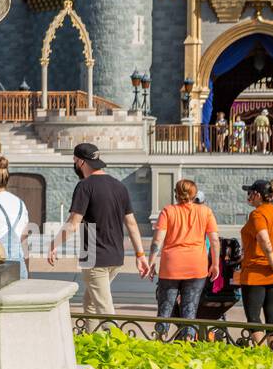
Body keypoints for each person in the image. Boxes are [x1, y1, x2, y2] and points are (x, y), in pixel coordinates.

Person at [46, 143, 148, 315]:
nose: (74, 164)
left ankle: (118, 340)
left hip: (94, 256)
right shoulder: (119, 186)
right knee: (91, 305)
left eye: (74, 160)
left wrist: (53, 244)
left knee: (104, 310)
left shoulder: (85, 186)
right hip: (115, 256)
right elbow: (131, 223)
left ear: (81, 162)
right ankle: (90, 339)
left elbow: (72, 223)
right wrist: (140, 255)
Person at [146, 179, 219, 339]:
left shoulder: (168, 211)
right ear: (194, 194)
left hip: (171, 268)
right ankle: (187, 343)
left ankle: (160, 341)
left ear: (176, 193)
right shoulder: (205, 211)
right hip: (196, 267)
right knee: (190, 310)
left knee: (164, 309)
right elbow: (214, 240)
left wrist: (150, 262)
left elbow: (157, 240)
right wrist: (215, 264)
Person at [239, 179, 273, 342]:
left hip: (257, 271)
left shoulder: (258, 214)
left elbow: (264, 239)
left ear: (257, 195)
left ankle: (261, 357)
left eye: (250, 193)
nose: (248, 196)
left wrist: (272, 262)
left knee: (254, 317)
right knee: (272, 315)